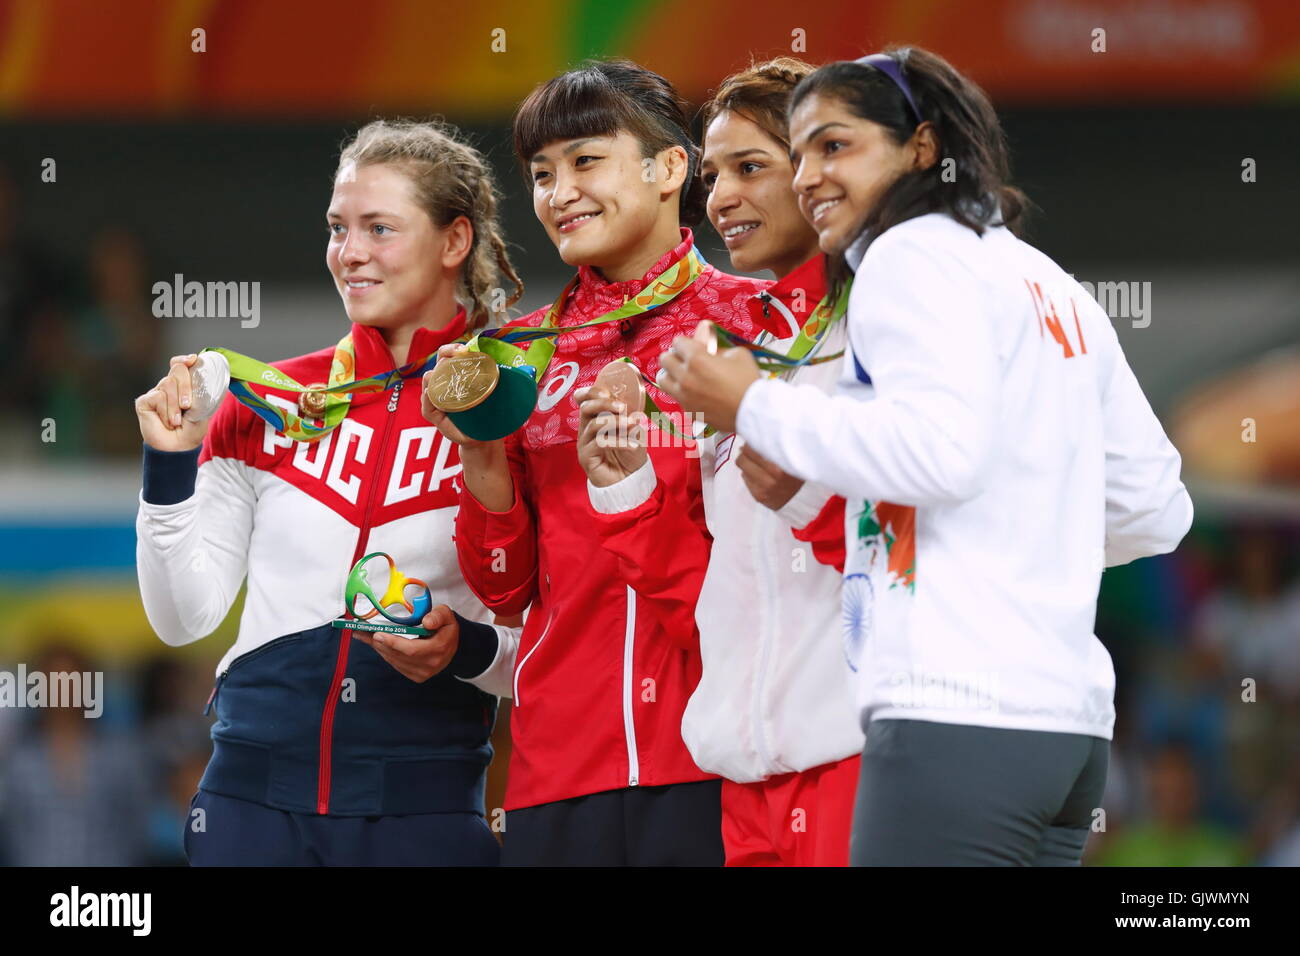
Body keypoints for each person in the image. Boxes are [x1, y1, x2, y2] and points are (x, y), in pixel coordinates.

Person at [658, 47, 1194, 866]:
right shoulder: (1046, 279)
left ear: (922, 147)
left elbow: (941, 455)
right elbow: (1155, 508)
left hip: (953, 716)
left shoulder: (904, 253)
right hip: (1068, 732)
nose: (810, 176)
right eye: (800, 154)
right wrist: (1007, 546)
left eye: (835, 146)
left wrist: (754, 405)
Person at [134, 119, 524, 866]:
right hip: (247, 809)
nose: (350, 252)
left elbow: (541, 652)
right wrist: (169, 468)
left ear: (454, 240)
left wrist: (463, 648)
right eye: (338, 228)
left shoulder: (508, 412)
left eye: (380, 227)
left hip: (422, 815)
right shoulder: (267, 401)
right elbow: (182, 619)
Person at [424, 59, 763, 866]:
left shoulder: (756, 326)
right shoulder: (518, 358)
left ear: (669, 168)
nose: (560, 193)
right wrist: (482, 459)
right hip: (558, 770)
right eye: (542, 173)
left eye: (586, 161)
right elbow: (505, 588)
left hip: (718, 750)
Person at [583, 58, 864, 866]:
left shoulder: (881, 334)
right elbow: (705, 609)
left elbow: (924, 556)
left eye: (750, 167)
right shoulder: (737, 358)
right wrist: (628, 488)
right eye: (713, 175)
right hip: (744, 786)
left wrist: (808, 500)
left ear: (822, 173)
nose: (720, 198)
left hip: (854, 763)